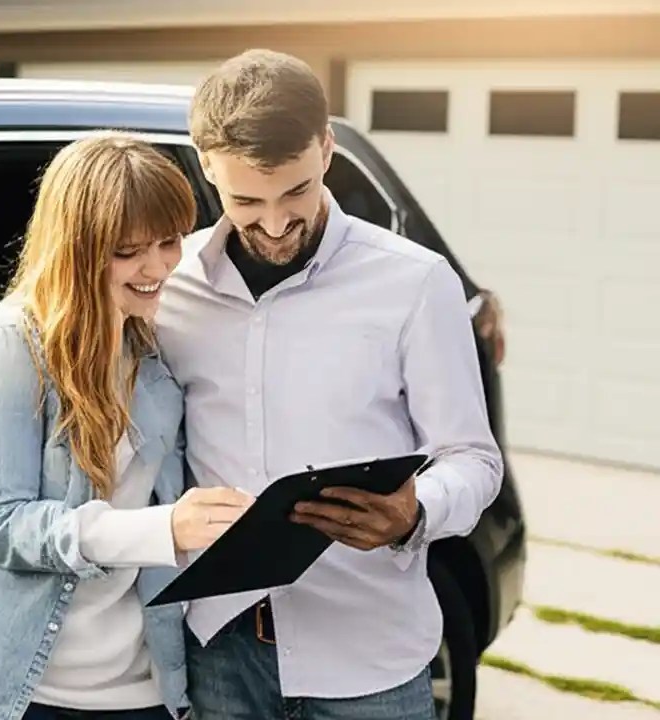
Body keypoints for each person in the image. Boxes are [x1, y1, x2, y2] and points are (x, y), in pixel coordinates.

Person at [155, 49, 503, 719]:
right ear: (205, 167)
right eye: (246, 200)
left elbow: (474, 461)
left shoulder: (415, 283)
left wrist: (415, 510)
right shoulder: (171, 286)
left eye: (297, 191)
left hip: (369, 663)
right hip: (221, 656)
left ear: (326, 149)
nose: (277, 223)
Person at [0, 133, 256, 720]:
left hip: (139, 687)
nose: (157, 268)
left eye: (170, 242)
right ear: (77, 246)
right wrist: (161, 530)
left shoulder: (150, 342)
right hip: (11, 688)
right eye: (129, 251)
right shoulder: (10, 344)